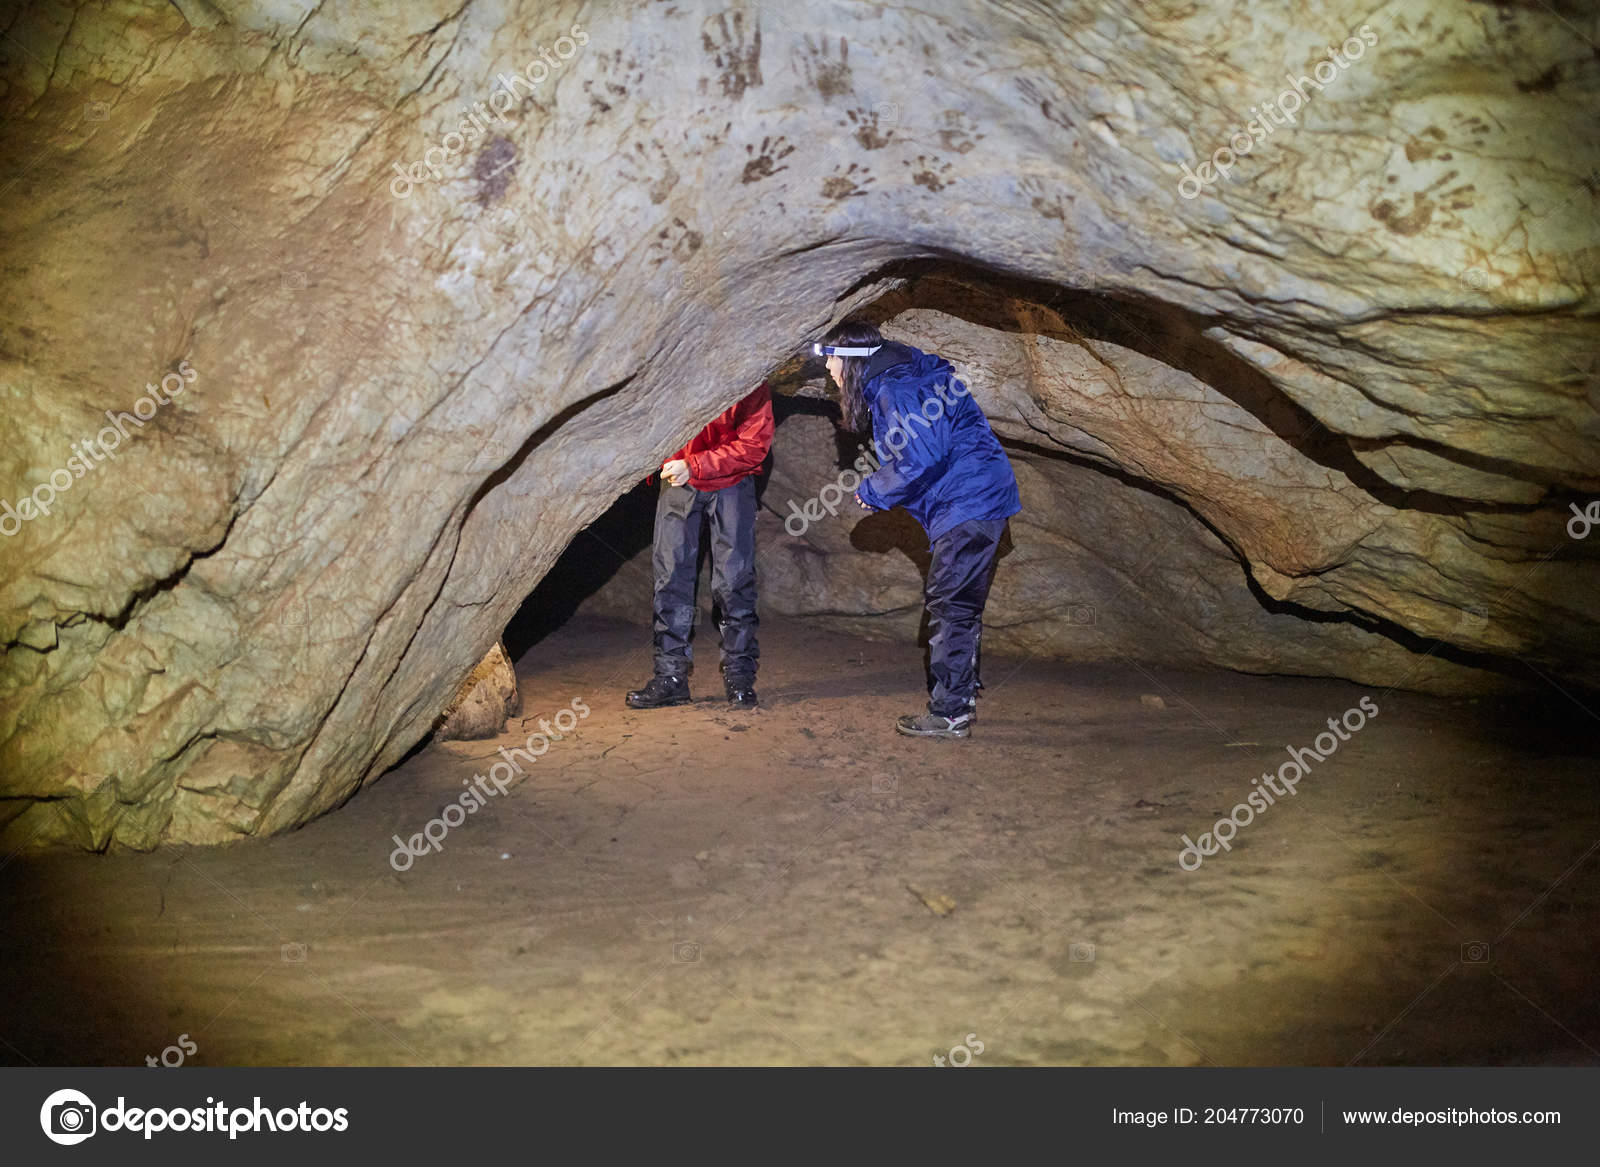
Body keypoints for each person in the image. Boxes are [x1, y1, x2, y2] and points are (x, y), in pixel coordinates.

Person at [816, 321, 1020, 739]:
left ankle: (950, 712)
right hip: (977, 498)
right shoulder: (906, 379)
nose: (829, 370)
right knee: (958, 602)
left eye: (832, 359)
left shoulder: (899, 389)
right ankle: (960, 692)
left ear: (853, 361)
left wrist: (873, 490)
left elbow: (922, 458)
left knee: (949, 603)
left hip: (969, 501)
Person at [626, 383, 775, 710]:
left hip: (731, 482)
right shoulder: (678, 368)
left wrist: (694, 465)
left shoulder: (749, 376)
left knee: (734, 582)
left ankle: (739, 677)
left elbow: (755, 444)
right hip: (678, 479)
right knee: (671, 578)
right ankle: (671, 679)